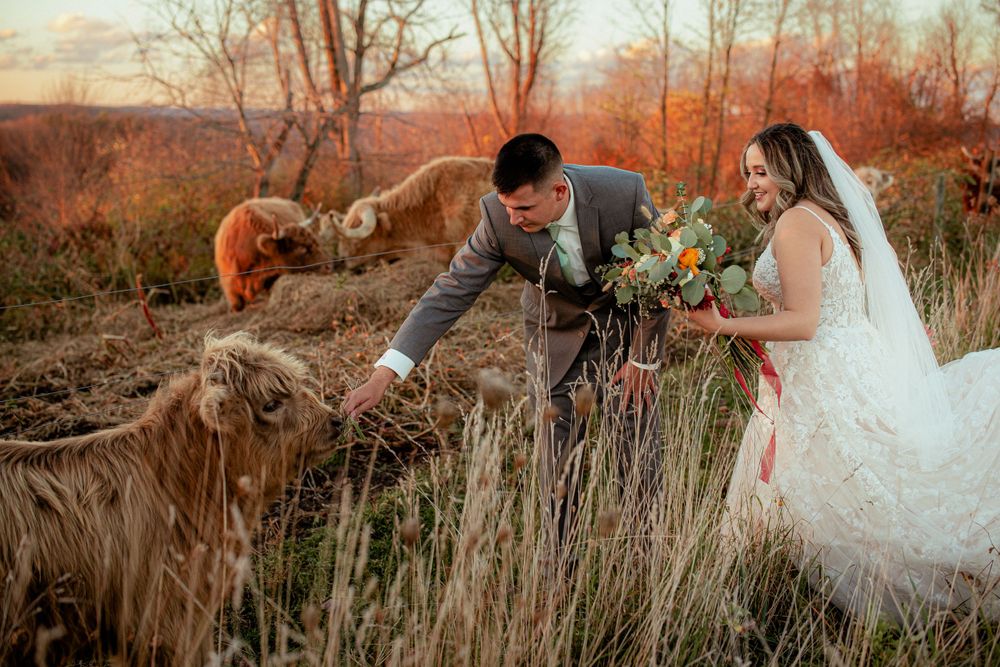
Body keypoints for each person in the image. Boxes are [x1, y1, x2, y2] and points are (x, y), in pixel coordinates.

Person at [687, 122, 1000, 623]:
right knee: (863, 474)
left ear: (791, 169)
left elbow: (804, 321)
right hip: (853, 356)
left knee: (856, 481)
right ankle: (782, 574)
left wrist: (721, 324)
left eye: (762, 171)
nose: (752, 184)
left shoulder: (795, 225)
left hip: (824, 370)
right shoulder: (828, 216)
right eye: (748, 172)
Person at [343, 133, 670, 564]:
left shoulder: (623, 193)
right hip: (554, 343)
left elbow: (661, 270)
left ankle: (648, 560)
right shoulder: (498, 217)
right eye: (508, 207)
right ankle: (558, 572)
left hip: (627, 341)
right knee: (556, 467)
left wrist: (644, 358)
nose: (513, 219)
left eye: (524, 209)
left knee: (639, 454)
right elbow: (450, 290)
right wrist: (384, 373)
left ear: (558, 190)